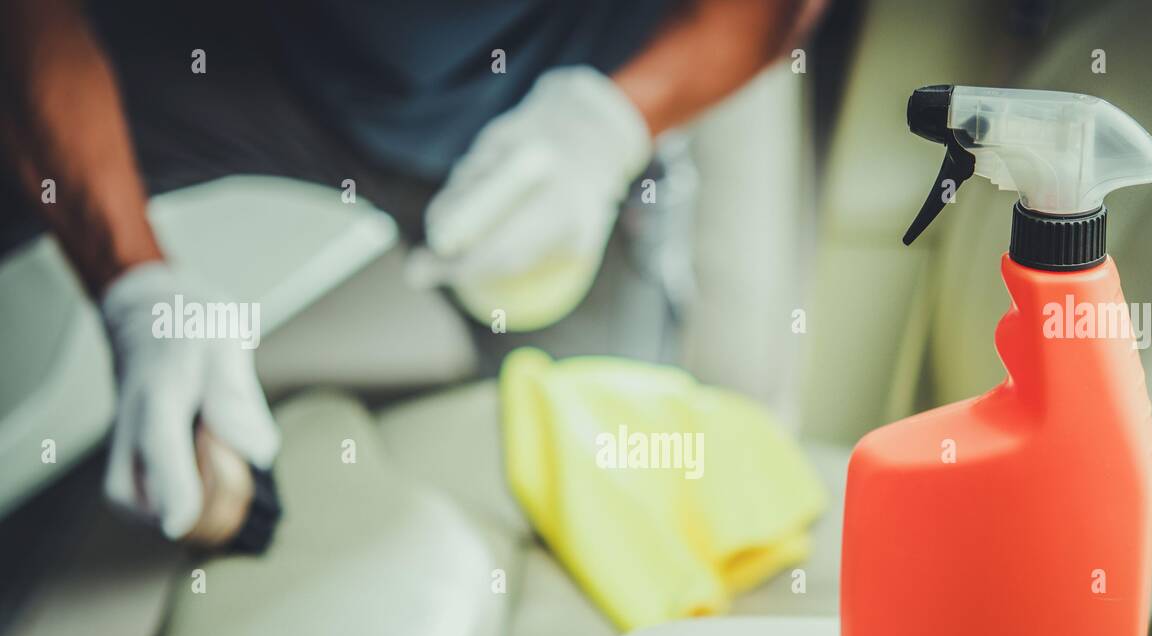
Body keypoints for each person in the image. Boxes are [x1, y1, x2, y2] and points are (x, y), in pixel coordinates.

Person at [0, 0, 823, 541]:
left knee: (616, 468)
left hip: (554, 96)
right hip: (241, 48)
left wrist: (615, 120)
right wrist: (132, 282)